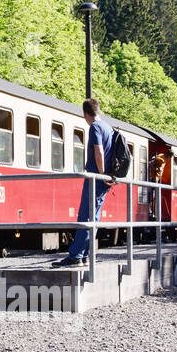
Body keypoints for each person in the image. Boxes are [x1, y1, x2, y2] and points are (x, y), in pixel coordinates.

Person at [54, 98, 114, 267]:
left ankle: (76, 256)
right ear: (98, 110)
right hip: (104, 181)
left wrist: (101, 174)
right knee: (94, 217)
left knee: (85, 217)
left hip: (96, 178)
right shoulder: (108, 127)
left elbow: (98, 151)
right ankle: (85, 254)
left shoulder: (95, 127)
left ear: (85, 113)